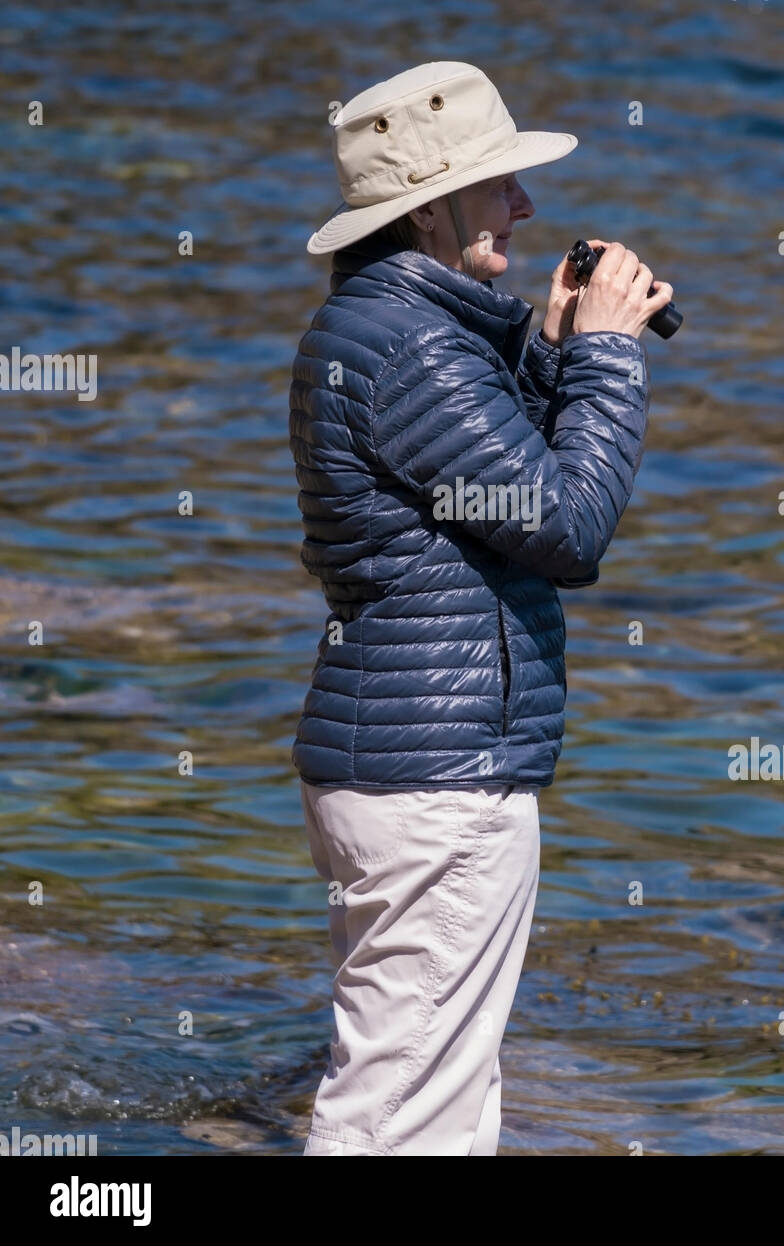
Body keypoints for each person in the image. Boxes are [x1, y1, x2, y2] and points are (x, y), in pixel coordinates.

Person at [289, 60, 673, 1156]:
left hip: (404, 759)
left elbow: (478, 498)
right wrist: (604, 356)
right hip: (439, 783)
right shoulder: (413, 346)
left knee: (432, 1101)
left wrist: (550, 357)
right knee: (400, 1121)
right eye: (499, 181)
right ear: (427, 209)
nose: (525, 204)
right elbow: (562, 525)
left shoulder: (389, 334)